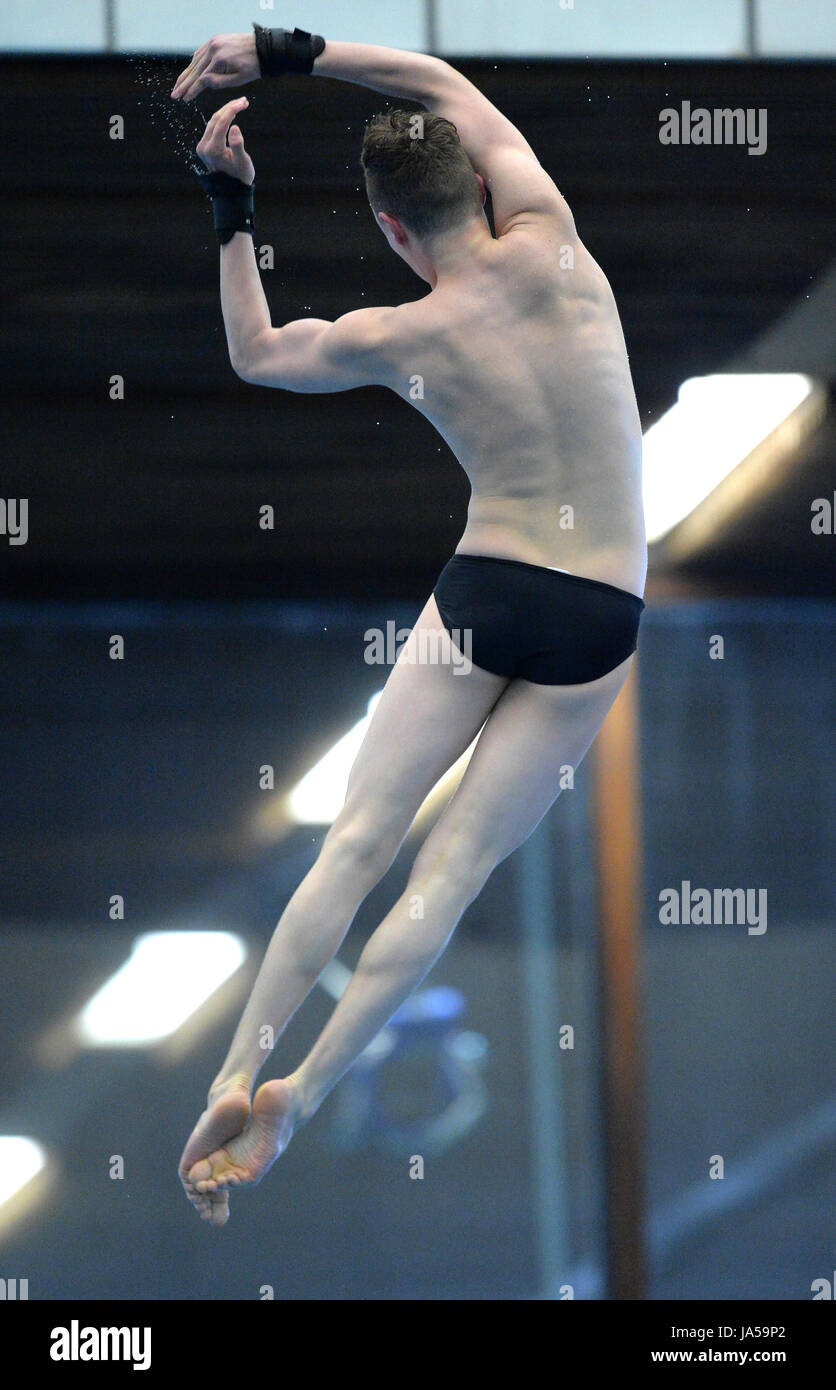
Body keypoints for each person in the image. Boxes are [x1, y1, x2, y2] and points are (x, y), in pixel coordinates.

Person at [173, 24, 647, 1227]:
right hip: (601, 609)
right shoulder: (557, 247)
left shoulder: (398, 336)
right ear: (482, 184)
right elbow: (437, 84)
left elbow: (256, 354)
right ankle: (307, 1089)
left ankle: (239, 1073)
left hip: (491, 579)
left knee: (358, 847)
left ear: (390, 232)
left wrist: (232, 210)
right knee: (454, 874)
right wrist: (283, 51)